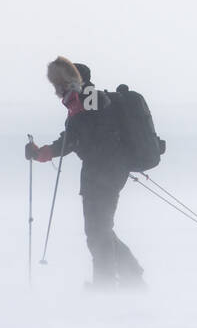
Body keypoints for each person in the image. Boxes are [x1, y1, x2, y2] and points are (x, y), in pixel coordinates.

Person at [26, 57, 145, 289]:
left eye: (58, 86)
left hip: (105, 174)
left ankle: (107, 284)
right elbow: (72, 138)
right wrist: (43, 153)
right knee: (100, 230)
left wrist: (46, 152)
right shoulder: (79, 104)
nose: (56, 92)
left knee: (97, 231)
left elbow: (79, 136)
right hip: (99, 173)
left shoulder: (91, 98)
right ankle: (129, 277)